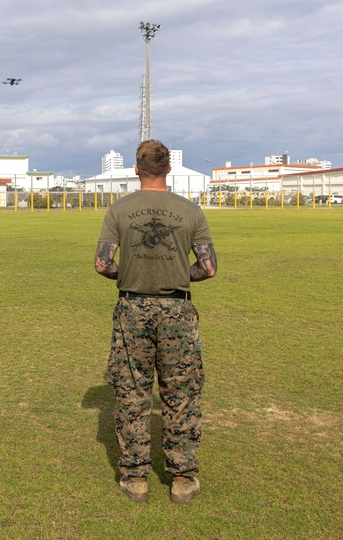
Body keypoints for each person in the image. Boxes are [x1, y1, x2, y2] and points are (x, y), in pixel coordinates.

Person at [94, 139, 217, 504]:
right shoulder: (190, 211)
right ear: (168, 169)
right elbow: (208, 268)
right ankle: (182, 479)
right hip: (177, 310)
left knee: (132, 392)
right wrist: (178, 273)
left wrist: (128, 272)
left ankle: (136, 479)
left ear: (137, 169)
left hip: (132, 309)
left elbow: (102, 263)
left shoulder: (119, 209)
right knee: (181, 393)